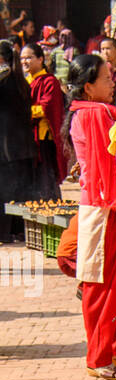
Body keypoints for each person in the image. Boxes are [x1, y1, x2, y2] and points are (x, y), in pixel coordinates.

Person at [63, 53, 116, 378]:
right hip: (107, 209)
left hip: (99, 205)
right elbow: (110, 164)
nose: (113, 83)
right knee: (105, 284)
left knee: (107, 282)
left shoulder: (83, 112)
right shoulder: (98, 113)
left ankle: (111, 352)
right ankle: (101, 355)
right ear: (88, 87)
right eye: (106, 79)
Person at [0, 40, 37, 244]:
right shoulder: (21, 81)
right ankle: (19, 231)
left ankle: (4, 233)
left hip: (6, 147)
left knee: (4, 191)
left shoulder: (4, 80)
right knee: (18, 191)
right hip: (23, 146)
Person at [21, 42, 66, 199]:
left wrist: (24, 112)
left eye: (29, 58)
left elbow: (46, 107)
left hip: (43, 138)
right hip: (27, 139)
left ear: (40, 59)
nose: (24, 62)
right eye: (22, 58)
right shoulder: (24, 81)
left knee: (46, 180)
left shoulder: (49, 81)